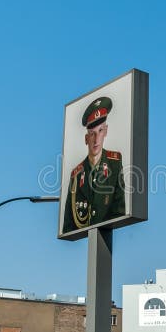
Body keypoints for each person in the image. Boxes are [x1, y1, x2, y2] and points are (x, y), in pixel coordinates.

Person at [62, 96, 126, 233]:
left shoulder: (114, 163)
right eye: (92, 134)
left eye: (100, 131)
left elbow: (120, 210)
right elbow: (68, 224)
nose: (96, 139)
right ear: (86, 139)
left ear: (106, 131)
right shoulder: (76, 174)